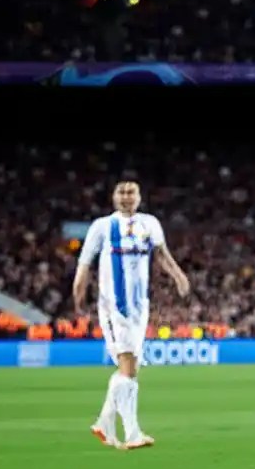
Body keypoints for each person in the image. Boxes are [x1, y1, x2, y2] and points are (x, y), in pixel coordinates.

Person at [73, 181, 190, 450]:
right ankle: (132, 433)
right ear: (114, 197)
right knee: (127, 366)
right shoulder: (102, 226)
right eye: (121, 192)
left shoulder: (149, 224)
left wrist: (178, 276)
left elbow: (162, 254)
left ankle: (104, 422)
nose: (126, 197)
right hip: (114, 305)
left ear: (139, 197)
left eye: (131, 192)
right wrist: (78, 291)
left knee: (131, 369)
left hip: (140, 307)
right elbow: (84, 263)